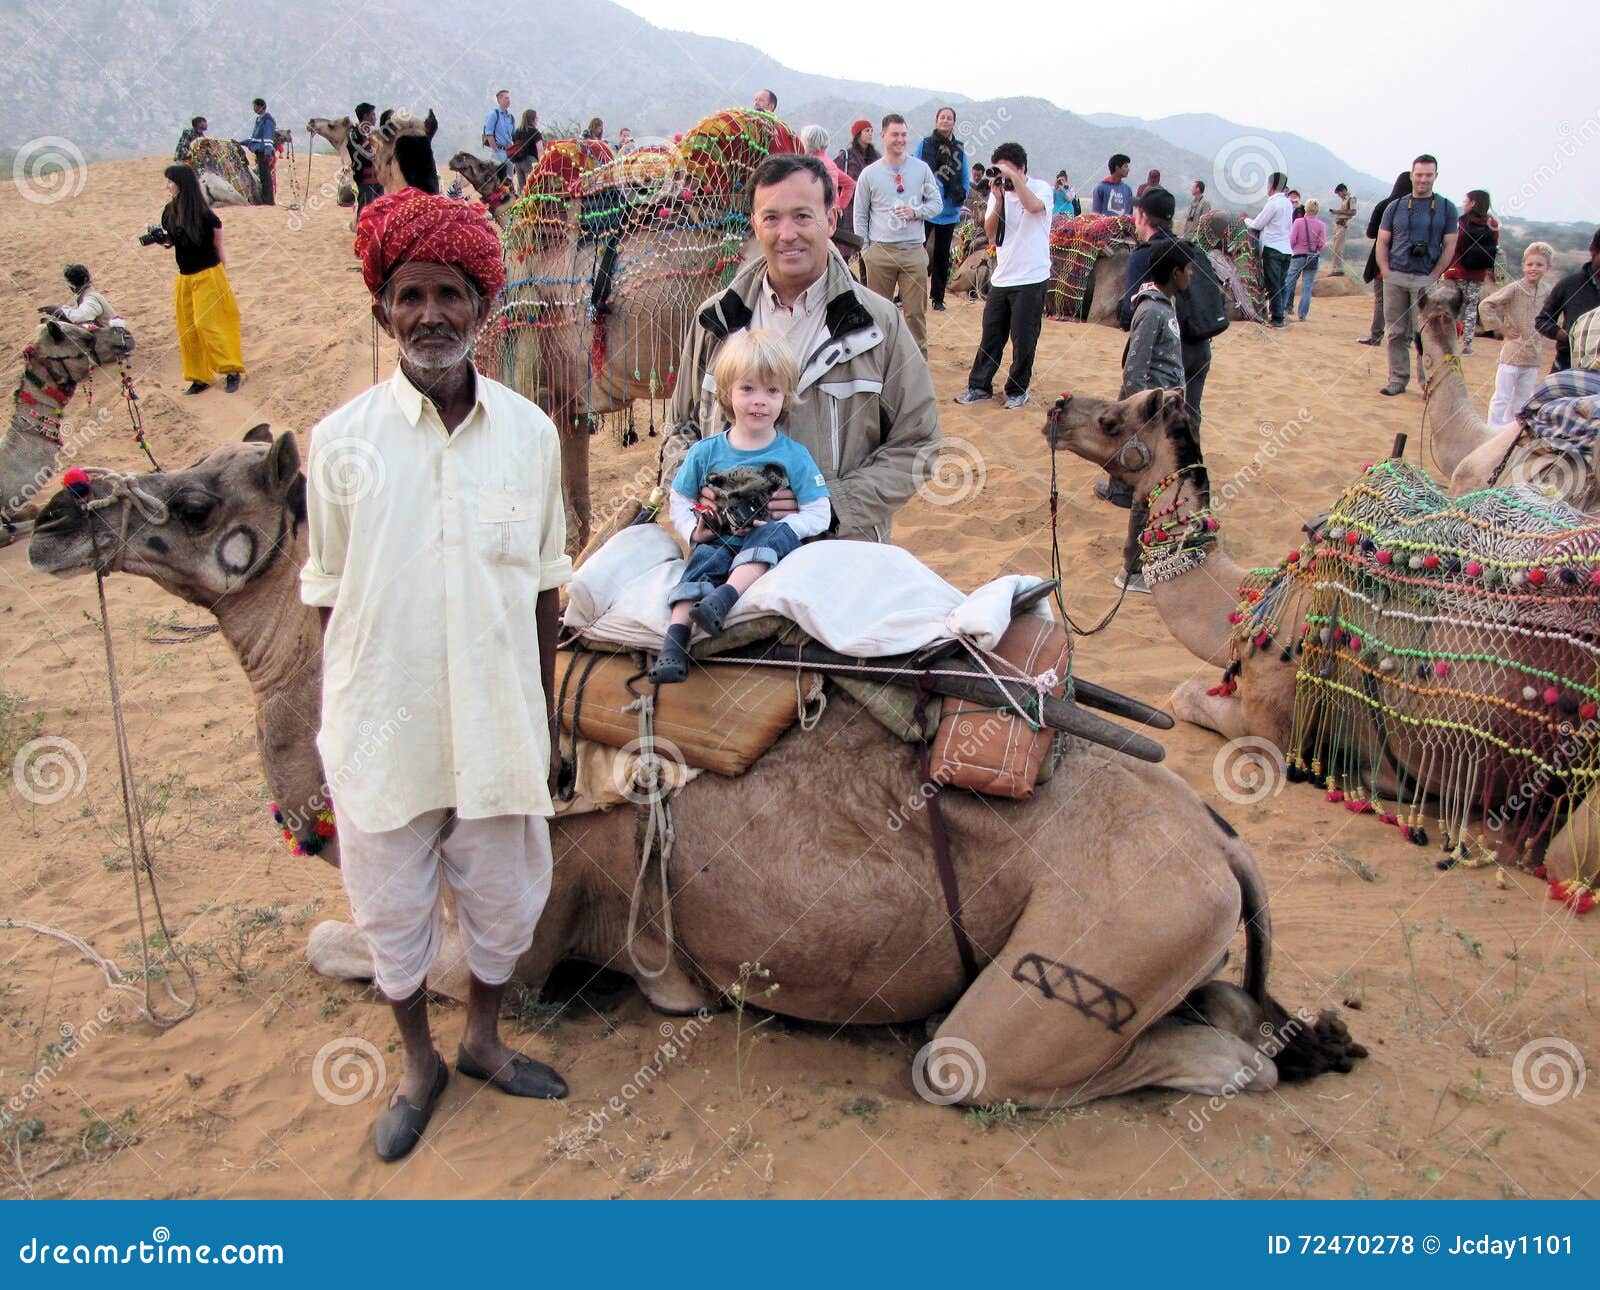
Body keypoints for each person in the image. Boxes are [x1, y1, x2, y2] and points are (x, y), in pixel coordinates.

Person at [301, 188, 570, 1163]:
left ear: (482, 307)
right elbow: (327, 593)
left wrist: (540, 722)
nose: (429, 315)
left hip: (499, 723)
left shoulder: (531, 438)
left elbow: (546, 589)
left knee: (504, 906)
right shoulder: (338, 445)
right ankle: (419, 1064)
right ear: (383, 311)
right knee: (391, 914)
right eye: (408, 295)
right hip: (382, 731)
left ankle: (484, 1039)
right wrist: (344, 715)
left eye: (449, 293)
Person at [661, 152, 938, 544]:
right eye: (771, 218)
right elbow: (680, 427)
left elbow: (918, 443)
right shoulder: (716, 320)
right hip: (726, 554)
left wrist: (827, 505)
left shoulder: (879, 325)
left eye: (802, 216)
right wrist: (694, 493)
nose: (786, 233)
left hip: (837, 555)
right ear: (755, 225)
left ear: (831, 219)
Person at [649, 331, 831, 685]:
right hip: (719, 537)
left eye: (772, 390)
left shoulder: (794, 455)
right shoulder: (705, 452)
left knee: (771, 536)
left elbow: (819, 510)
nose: (759, 401)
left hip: (764, 541)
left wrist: (788, 524)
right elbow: (680, 499)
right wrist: (693, 530)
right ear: (726, 394)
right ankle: (673, 646)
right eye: (748, 389)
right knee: (701, 563)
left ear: (785, 397)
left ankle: (724, 598)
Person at [1116, 240, 1191, 594]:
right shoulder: (1152, 312)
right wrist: (1146, 421)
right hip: (1153, 420)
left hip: (1168, 416)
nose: (1191, 274)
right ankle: (1131, 571)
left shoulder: (1166, 306)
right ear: (1174, 273)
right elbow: (1134, 374)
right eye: (1188, 269)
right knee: (1147, 491)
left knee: (1163, 489)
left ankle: (1152, 558)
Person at [952, 143, 1052, 411]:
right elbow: (992, 233)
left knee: (1024, 339)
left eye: (1008, 169)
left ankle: (1017, 391)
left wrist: (1015, 181)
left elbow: (1033, 207)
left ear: (1021, 168)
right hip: (1003, 277)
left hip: (1031, 277)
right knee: (991, 335)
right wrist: (997, 197)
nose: (1002, 176)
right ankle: (979, 386)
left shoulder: (1041, 188)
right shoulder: (1000, 194)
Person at [142, 166, 244, 395]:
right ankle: (199, 376)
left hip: (208, 273)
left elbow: (218, 243)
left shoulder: (204, 213)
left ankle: (231, 370)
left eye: (171, 181)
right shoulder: (169, 211)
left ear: (182, 183)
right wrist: (161, 239)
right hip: (185, 276)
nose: (167, 186)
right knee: (188, 327)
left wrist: (222, 270)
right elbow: (173, 242)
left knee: (210, 324)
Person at [854, 114, 942, 357]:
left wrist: (916, 212)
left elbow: (936, 204)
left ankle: (917, 368)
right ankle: (879, 365)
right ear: (883, 135)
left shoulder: (921, 169)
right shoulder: (869, 174)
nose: (900, 139)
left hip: (913, 251)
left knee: (915, 313)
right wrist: (866, 251)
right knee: (879, 313)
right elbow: (860, 215)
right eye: (894, 134)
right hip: (880, 253)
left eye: (904, 134)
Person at [1376, 154, 1460, 395]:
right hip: (1396, 276)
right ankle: (1397, 379)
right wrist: (1386, 271)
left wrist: (1434, 273)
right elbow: (1382, 241)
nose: (1423, 180)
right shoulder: (1396, 206)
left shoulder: (1446, 208)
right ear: (1412, 175)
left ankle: (1427, 383)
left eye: (1428, 175)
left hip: (1426, 279)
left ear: (1436, 176)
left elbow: (1450, 245)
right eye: (1419, 175)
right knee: (1395, 332)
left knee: (1426, 334)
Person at [1480, 241, 1555, 424]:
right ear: (1523, 265)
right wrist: (1502, 329)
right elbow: (1486, 305)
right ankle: (1492, 430)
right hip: (1512, 352)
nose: (1534, 269)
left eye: (1539, 265)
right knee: (1502, 397)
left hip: (1534, 355)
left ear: (1548, 267)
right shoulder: (1514, 288)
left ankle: (1508, 435)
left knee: (1523, 399)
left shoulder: (1548, 291)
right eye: (1530, 264)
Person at [915, 107, 967, 313]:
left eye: (949, 118)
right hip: (926, 207)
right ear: (936, 120)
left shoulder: (959, 149)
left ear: (954, 122)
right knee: (916, 252)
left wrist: (960, 194)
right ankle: (907, 294)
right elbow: (916, 168)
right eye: (942, 117)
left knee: (942, 255)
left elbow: (965, 177)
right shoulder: (925, 144)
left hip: (949, 209)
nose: (945, 121)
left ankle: (938, 297)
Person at [1358, 172, 1412, 345]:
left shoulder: (1385, 205)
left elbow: (1371, 232)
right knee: (1408, 302)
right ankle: (1408, 338)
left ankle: (1376, 335)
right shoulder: (1417, 209)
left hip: (1384, 260)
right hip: (1409, 263)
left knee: (1381, 300)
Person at [1443, 189, 1498, 354]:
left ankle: (1452, 341)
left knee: (1455, 307)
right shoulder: (1492, 223)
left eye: (1466, 201)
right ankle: (1467, 345)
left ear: (1473, 202)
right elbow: (1495, 245)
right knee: (1471, 307)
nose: (1464, 204)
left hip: (1459, 269)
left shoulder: (1462, 222)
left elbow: (1455, 245)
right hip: (1478, 272)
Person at [1537, 229, 1600, 371]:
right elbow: (1542, 321)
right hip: (1566, 366)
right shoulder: (1569, 285)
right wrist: (1565, 336)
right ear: (1593, 250)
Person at [1247, 172, 1294, 326]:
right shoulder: (1288, 203)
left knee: (1273, 284)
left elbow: (1257, 224)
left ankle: (1277, 318)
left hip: (1273, 248)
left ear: (1272, 186)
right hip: (1286, 249)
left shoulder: (1273, 203)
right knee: (1280, 283)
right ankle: (1280, 314)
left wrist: (1245, 219)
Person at [1284, 199, 1327, 321]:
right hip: (1313, 258)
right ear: (1317, 210)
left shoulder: (1298, 222)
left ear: (1306, 209)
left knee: (1288, 283)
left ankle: (1280, 309)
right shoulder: (1321, 225)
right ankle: (1302, 315)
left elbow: (1291, 240)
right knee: (1307, 287)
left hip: (1297, 256)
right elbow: (1322, 244)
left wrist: (1292, 250)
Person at [802, 124, 854, 218]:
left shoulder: (806, 164)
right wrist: (839, 205)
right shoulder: (831, 164)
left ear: (806, 142)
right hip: (831, 214)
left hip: (814, 215)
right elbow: (850, 184)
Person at [42, 264, 115, 327]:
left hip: (113, 340)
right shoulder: (85, 296)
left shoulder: (91, 298)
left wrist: (61, 311)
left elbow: (82, 316)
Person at [349, 103, 382, 212]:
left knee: (379, 210)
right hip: (365, 180)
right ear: (365, 116)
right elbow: (358, 154)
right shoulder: (355, 133)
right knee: (365, 210)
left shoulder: (370, 134)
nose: (375, 117)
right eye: (373, 114)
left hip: (378, 179)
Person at [242, 99, 276, 205]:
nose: (254, 109)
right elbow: (255, 138)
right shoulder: (259, 119)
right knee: (262, 175)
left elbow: (268, 137)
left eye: (255, 106)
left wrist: (267, 151)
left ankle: (268, 200)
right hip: (259, 151)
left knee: (266, 176)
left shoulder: (267, 120)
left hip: (264, 152)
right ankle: (265, 199)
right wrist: (242, 142)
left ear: (261, 107)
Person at [508, 109, 544, 189]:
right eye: (536, 117)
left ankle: (523, 201)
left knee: (522, 188)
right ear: (533, 119)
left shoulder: (517, 132)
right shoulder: (535, 132)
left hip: (517, 162)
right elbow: (540, 149)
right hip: (530, 161)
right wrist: (542, 164)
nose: (537, 119)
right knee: (532, 186)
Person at [1328, 183, 1357, 276]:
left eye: (1339, 193)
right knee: (1336, 247)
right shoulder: (1344, 200)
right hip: (1339, 225)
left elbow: (1353, 212)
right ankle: (1336, 268)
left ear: (1343, 191)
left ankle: (1338, 269)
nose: (1339, 196)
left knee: (1338, 248)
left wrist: (1338, 211)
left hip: (1343, 224)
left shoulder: (1351, 198)